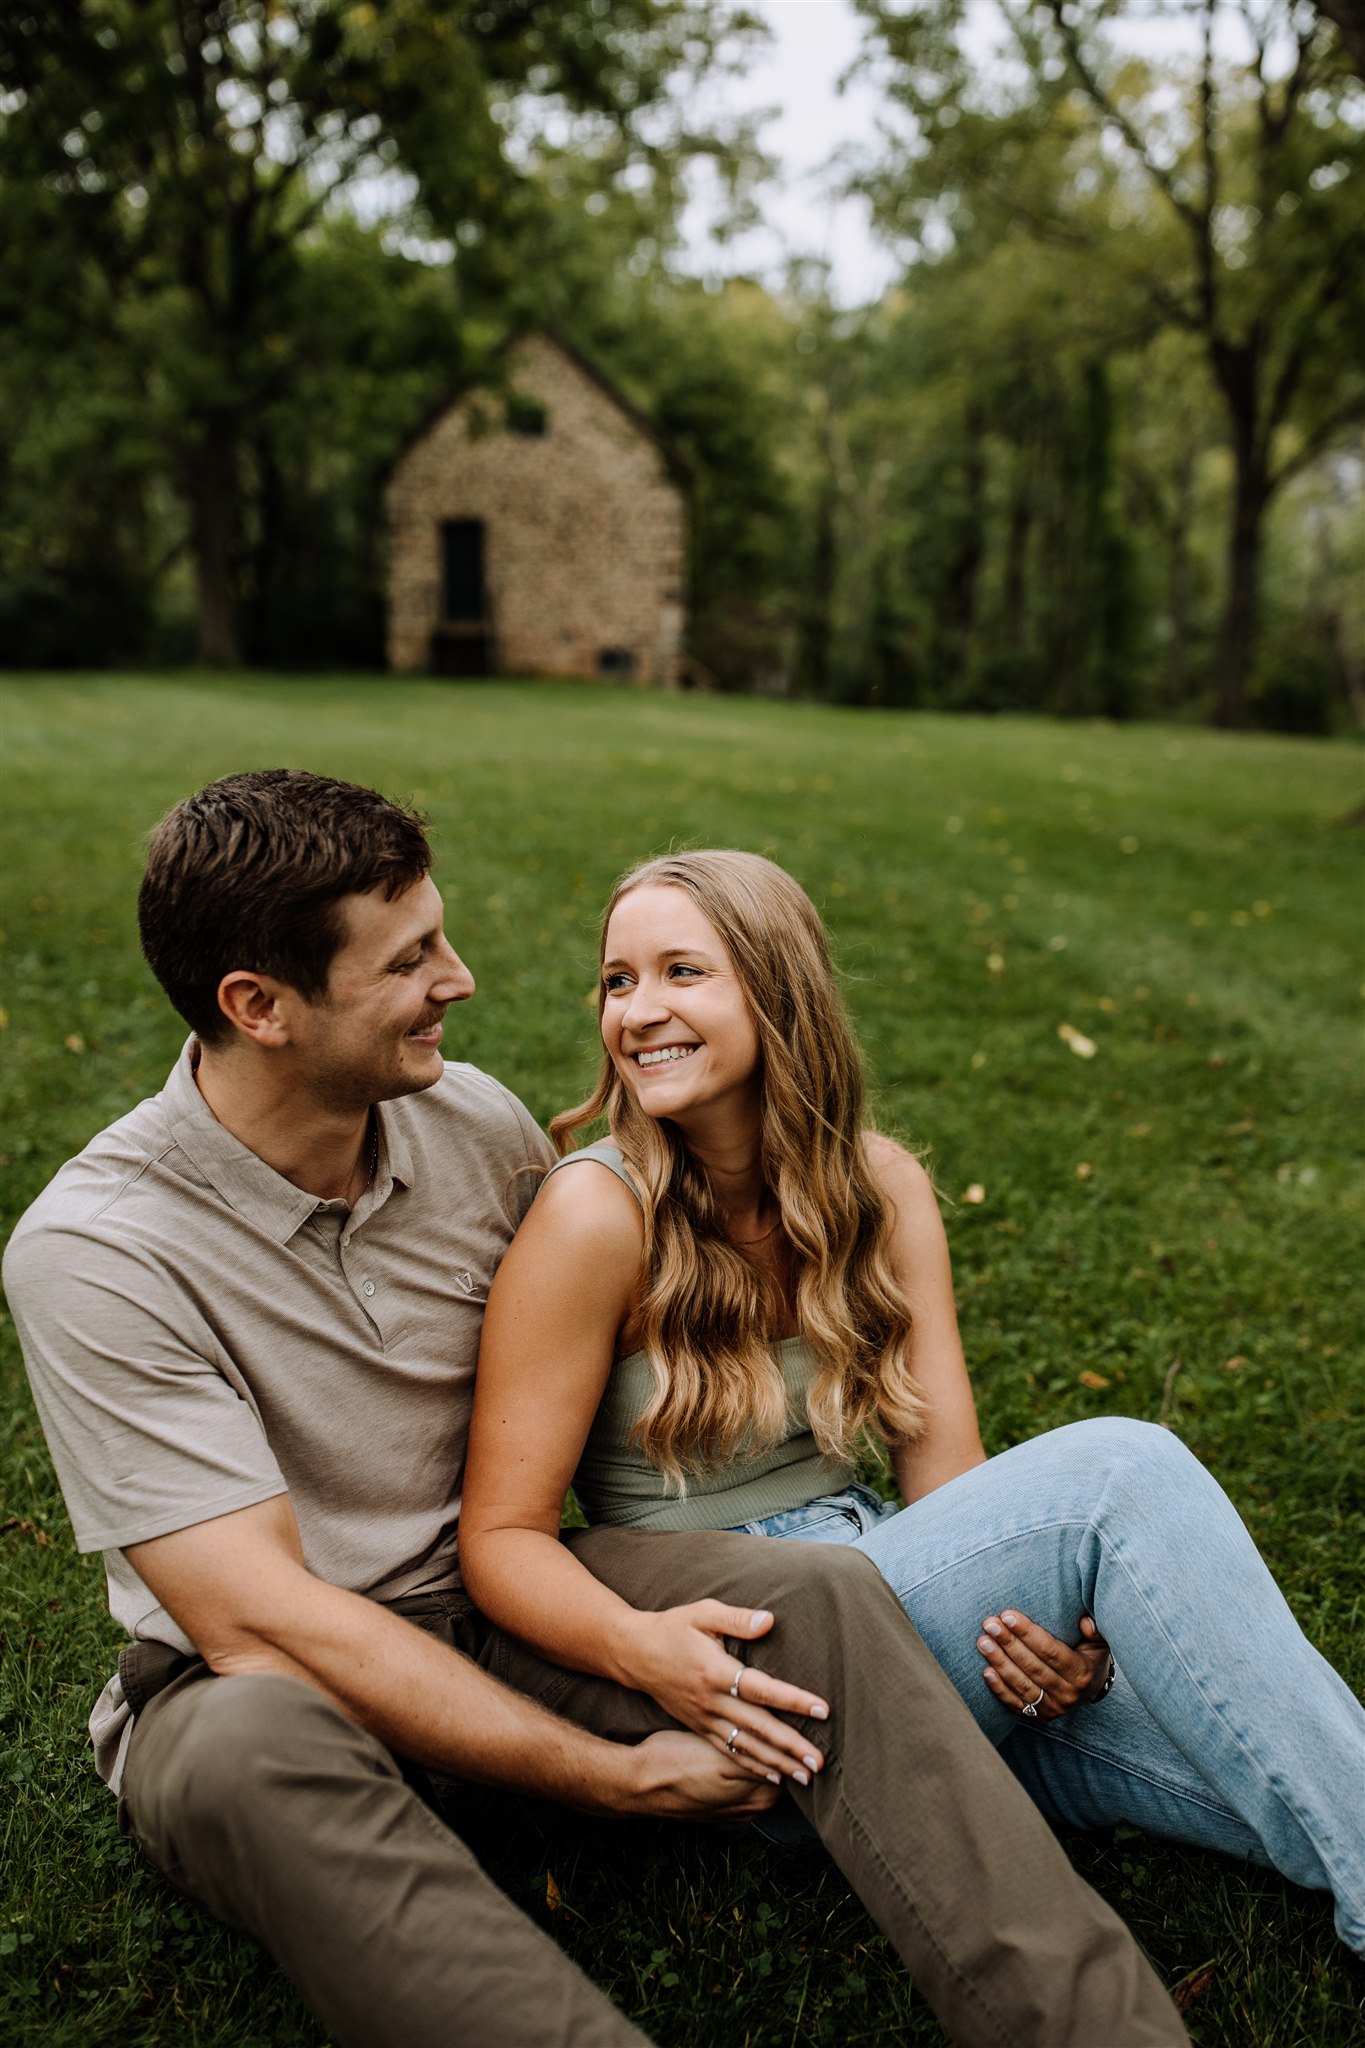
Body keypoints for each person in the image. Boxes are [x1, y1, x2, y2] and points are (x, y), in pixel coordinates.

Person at [2, 773, 1192, 2048]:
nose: (459, 979)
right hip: (267, 1680)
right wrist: (614, 1775)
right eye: (411, 958)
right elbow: (260, 1620)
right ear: (260, 1006)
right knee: (251, 1744)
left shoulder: (470, 1123)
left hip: (503, 1619)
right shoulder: (99, 1246)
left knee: (828, 1596)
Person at [460, 847, 1365, 1961]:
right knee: (1123, 1473)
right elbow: (499, 1538)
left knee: (1259, 1763)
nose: (639, 1011)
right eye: (617, 979)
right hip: (754, 1658)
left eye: (682, 971)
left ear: (777, 990)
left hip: (895, 1588)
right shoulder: (596, 1217)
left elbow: (951, 1482)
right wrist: (646, 1651)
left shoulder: (877, 1185)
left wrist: (1051, 1646)